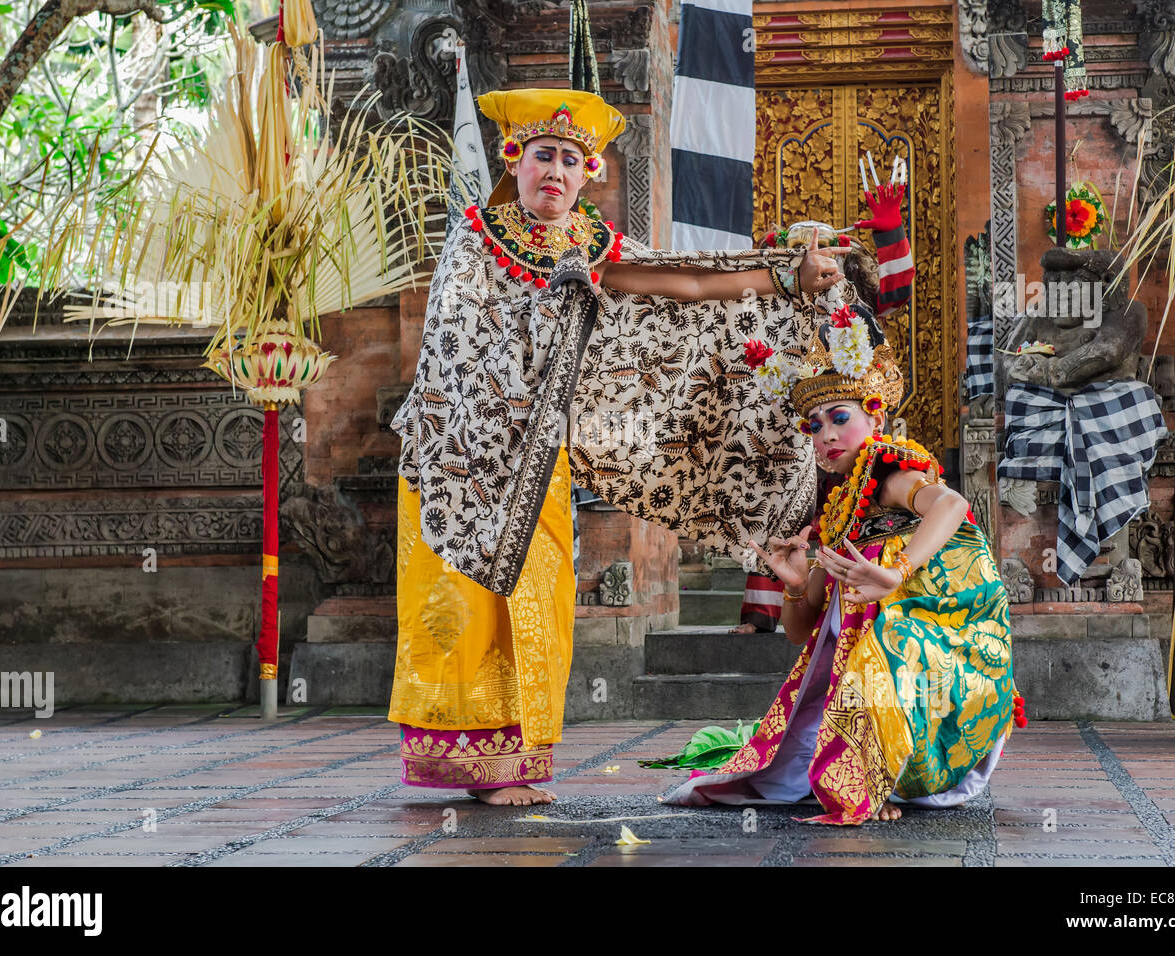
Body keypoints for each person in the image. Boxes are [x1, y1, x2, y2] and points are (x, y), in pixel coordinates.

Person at [390, 88, 850, 806]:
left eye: (571, 161)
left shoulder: (589, 244)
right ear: (514, 159)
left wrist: (785, 278)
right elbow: (454, 350)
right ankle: (479, 769)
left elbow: (685, 283)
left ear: (588, 174)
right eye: (544, 155)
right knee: (466, 606)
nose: (556, 172)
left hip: (539, 465)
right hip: (459, 462)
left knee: (540, 601)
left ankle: (518, 759)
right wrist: (542, 324)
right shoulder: (474, 238)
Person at [664, 303, 1025, 824]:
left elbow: (951, 505)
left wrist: (896, 573)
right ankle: (863, 774)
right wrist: (794, 585)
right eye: (814, 426)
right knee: (844, 667)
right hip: (868, 653)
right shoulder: (838, 510)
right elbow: (801, 633)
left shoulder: (890, 472)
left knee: (882, 643)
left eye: (839, 419)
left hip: (934, 630)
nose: (826, 436)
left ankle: (881, 778)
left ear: (875, 418)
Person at [734, 202, 916, 634]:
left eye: (825, 256)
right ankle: (764, 611)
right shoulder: (779, 307)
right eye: (804, 257)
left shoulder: (856, 305)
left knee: (854, 510)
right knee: (781, 514)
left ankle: (857, 598)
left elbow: (896, 294)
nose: (817, 267)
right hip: (793, 430)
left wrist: (891, 231)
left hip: (847, 428)